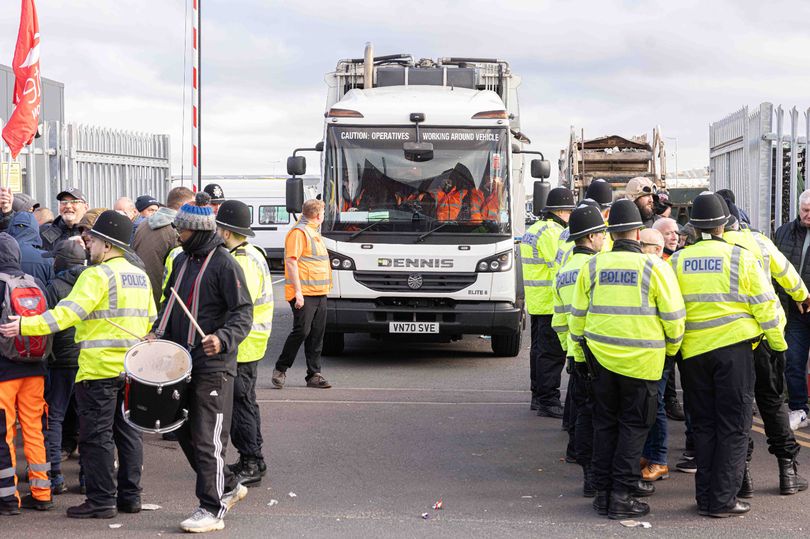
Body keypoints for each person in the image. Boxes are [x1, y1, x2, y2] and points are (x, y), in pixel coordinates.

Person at [0, 211, 155, 519]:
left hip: (98, 371)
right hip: (132, 370)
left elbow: (67, 314)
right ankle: (130, 496)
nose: (89, 243)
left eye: (94, 239)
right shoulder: (139, 275)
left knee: (96, 438)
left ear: (108, 245)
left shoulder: (96, 275)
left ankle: (100, 501)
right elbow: (150, 320)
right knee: (128, 433)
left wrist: (25, 326)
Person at [670, 192, 786, 517]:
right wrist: (777, 345)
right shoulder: (741, 258)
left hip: (692, 356)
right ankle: (723, 500)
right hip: (734, 354)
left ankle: (706, 497)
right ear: (724, 224)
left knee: (704, 426)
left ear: (693, 226)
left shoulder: (678, 260)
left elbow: (670, 308)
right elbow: (767, 307)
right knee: (734, 427)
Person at [568, 199, 685, 519]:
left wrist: (579, 356)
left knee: (605, 427)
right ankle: (621, 495)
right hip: (643, 365)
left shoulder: (592, 266)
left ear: (610, 232)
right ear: (637, 231)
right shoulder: (655, 267)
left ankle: (603, 495)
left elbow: (577, 317)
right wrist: (670, 353)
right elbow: (674, 319)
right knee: (633, 430)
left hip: (600, 362)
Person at [150, 193, 253, 533]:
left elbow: (243, 313)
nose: (176, 234)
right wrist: (156, 332)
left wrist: (221, 338)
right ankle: (224, 487)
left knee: (208, 437)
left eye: (180, 230)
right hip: (181, 361)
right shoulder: (181, 260)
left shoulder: (225, 264)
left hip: (213, 364)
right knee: (179, 428)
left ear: (195, 231)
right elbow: (169, 301)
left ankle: (211, 508)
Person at [724, 211, 810, 495]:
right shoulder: (758, 242)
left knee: (739, 409)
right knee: (772, 404)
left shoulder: (704, 249)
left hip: (726, 342)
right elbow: (787, 274)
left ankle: (743, 478)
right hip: (763, 335)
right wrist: (802, 297)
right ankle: (787, 474)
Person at [215, 200, 273, 487]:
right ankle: (252, 457)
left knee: (241, 403)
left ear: (226, 232)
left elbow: (237, 305)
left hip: (244, 343)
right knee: (244, 401)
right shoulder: (246, 255)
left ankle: (252, 460)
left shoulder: (243, 261)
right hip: (247, 341)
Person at [550, 204, 606, 497]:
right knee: (599, 418)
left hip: (575, 353)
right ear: (593, 236)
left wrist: (570, 350)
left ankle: (587, 474)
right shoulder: (595, 267)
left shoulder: (563, 271)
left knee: (583, 414)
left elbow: (559, 319)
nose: (605, 239)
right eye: (602, 234)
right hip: (598, 353)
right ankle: (596, 476)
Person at [0, 233, 53, 515]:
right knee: (34, 429)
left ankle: (8, 499)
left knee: (5, 434)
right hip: (35, 368)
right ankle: (42, 492)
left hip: (4, 372)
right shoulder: (34, 283)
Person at [520, 187, 575, 417]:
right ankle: (548, 401)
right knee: (551, 355)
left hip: (536, 302)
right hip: (550, 302)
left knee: (539, 353)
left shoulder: (534, 229)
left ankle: (538, 395)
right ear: (562, 211)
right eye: (570, 211)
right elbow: (560, 266)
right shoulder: (553, 233)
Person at [41, 240, 87, 496]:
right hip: (87, 359)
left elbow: (48, 326)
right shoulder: (93, 281)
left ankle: (55, 475)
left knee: (55, 416)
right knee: (87, 418)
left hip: (61, 362)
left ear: (59, 262)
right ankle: (87, 478)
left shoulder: (54, 287)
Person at [272, 199, 333, 390]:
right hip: (304, 293)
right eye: (323, 212)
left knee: (316, 334)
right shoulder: (299, 233)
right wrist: (298, 293)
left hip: (319, 292)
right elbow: (291, 262)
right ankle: (281, 369)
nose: (324, 215)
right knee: (301, 332)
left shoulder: (312, 231)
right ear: (317, 215)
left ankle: (314, 374)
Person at [773, 189, 810, 430]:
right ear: (799, 208)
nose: (809, 215)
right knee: (793, 360)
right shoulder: (783, 232)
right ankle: (799, 408)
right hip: (795, 310)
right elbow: (775, 271)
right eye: (806, 210)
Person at [133, 187, 194, 306]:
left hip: (140, 297)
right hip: (163, 302)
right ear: (184, 205)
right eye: (193, 205)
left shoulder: (142, 225)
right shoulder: (177, 230)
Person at [8, 211, 55, 285]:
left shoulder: (3, 255)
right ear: (35, 228)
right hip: (39, 295)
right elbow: (52, 291)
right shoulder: (47, 259)